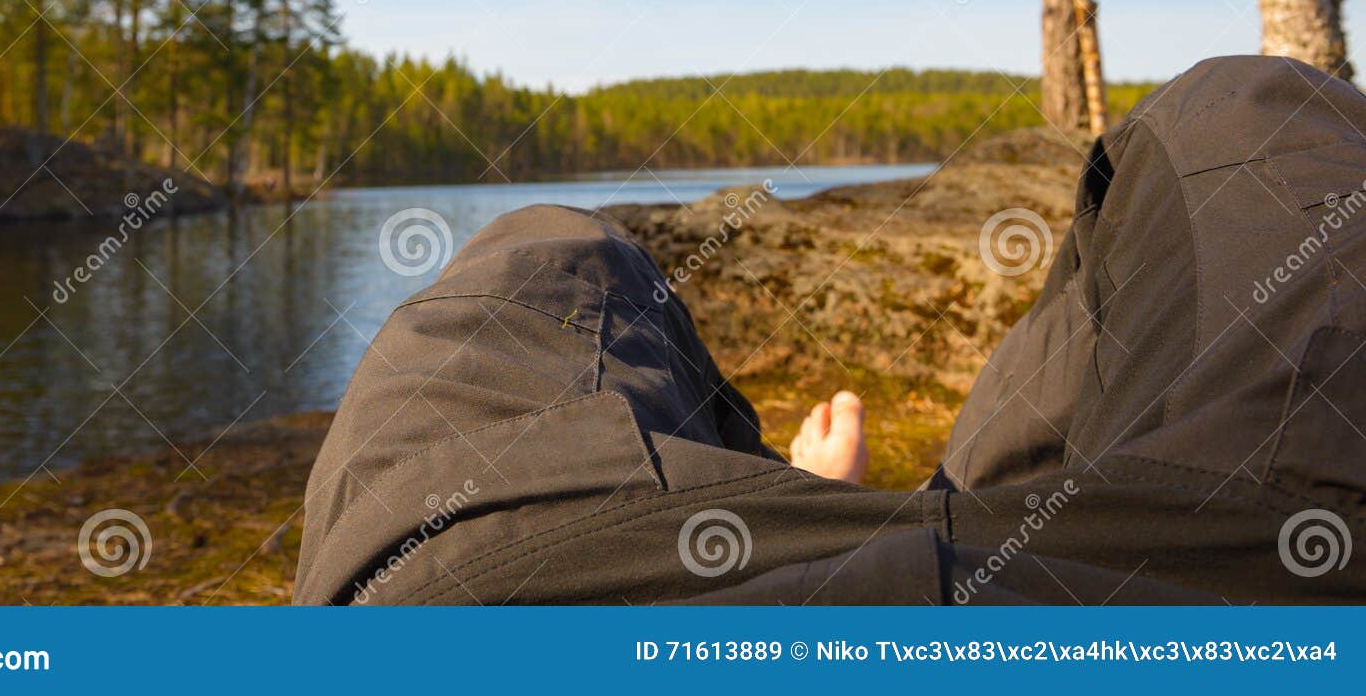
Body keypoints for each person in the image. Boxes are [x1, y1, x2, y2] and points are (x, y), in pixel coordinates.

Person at [294, 56, 1366, 604]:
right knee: (1245, 105)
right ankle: (898, 524)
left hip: (533, 608)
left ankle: (846, 520)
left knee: (549, 245)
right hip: (1221, 588)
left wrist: (815, 522)